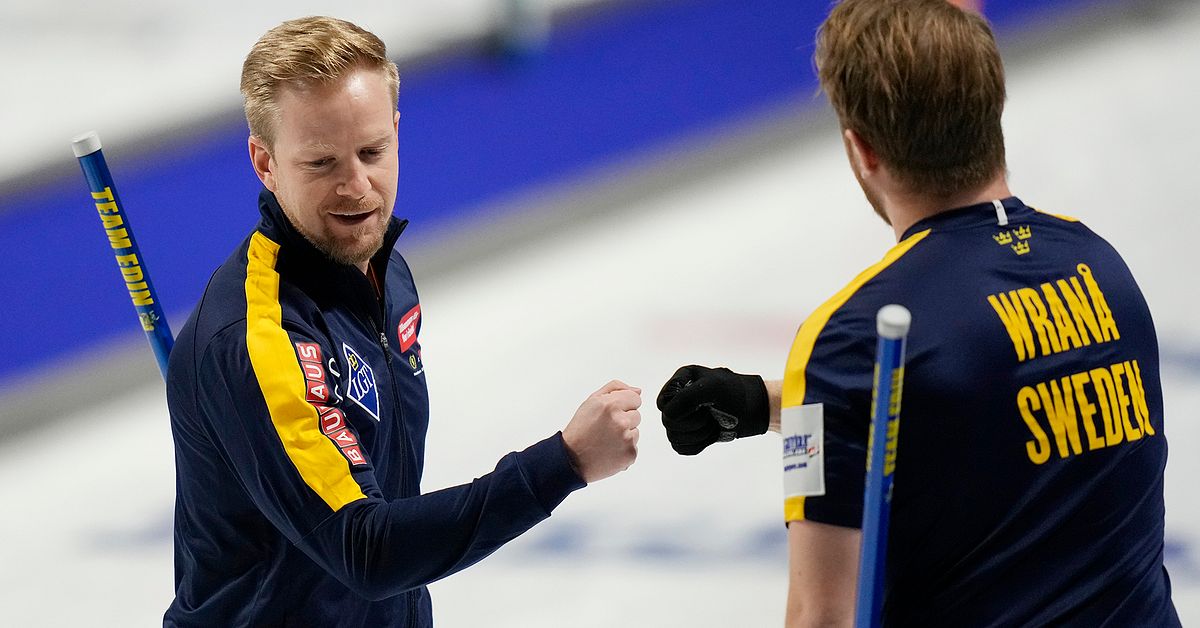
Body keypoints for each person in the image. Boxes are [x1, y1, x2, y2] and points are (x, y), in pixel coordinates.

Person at [656, 0, 1180, 625]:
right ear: (991, 110)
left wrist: (818, 388)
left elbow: (824, 617)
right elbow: (976, 398)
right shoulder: (1098, 267)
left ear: (862, 150)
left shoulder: (854, 335)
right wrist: (760, 403)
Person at [163, 16, 641, 627]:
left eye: (372, 152)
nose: (356, 187)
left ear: (395, 129)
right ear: (265, 163)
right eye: (321, 163)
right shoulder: (261, 338)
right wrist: (564, 462)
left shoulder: (384, 272)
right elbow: (366, 550)